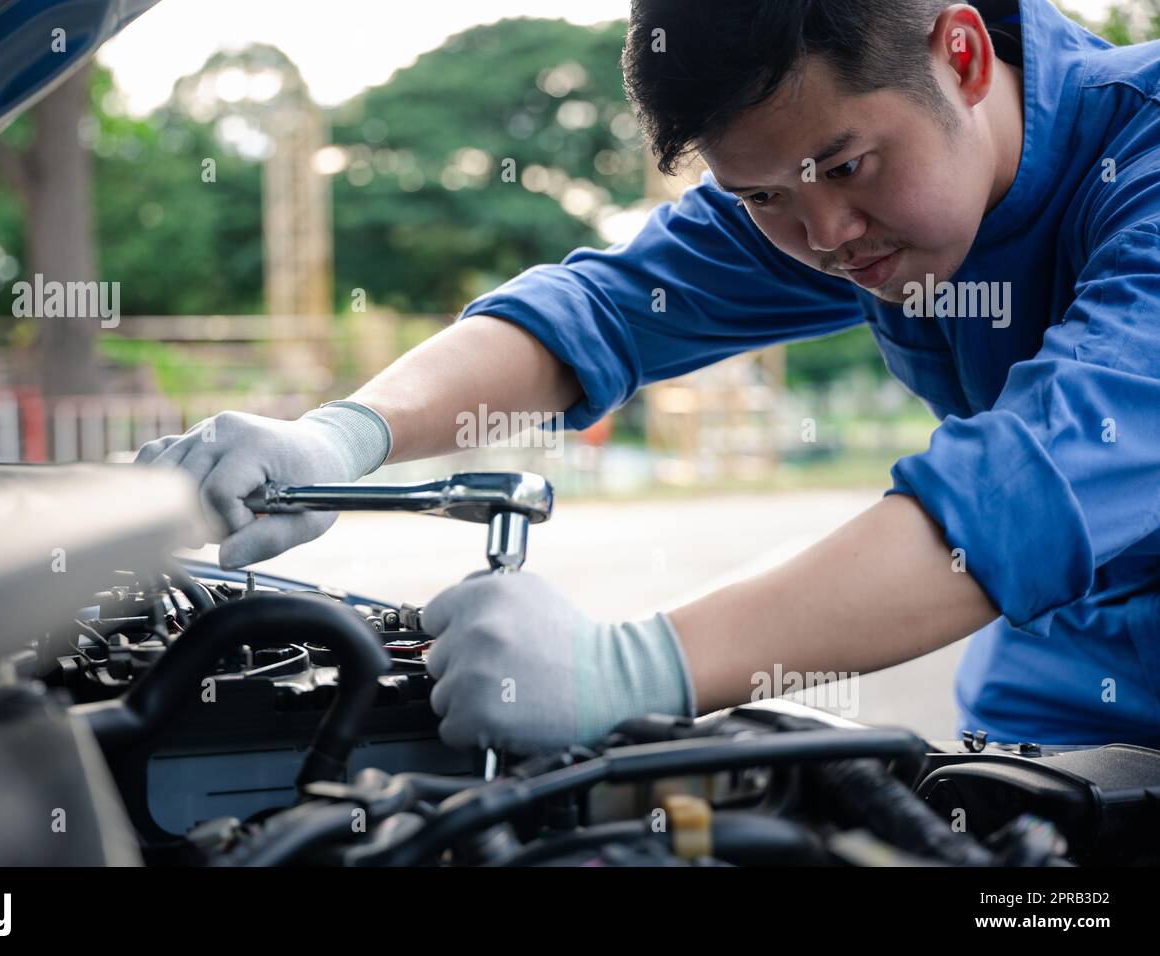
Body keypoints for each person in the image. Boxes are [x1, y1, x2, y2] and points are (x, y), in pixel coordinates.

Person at [137, 0, 1160, 754]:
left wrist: (632, 669)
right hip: (1060, 675)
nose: (822, 237)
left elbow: (1026, 490)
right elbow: (603, 308)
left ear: (964, 54)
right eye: (761, 196)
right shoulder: (819, 191)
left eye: (846, 167)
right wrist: (336, 438)